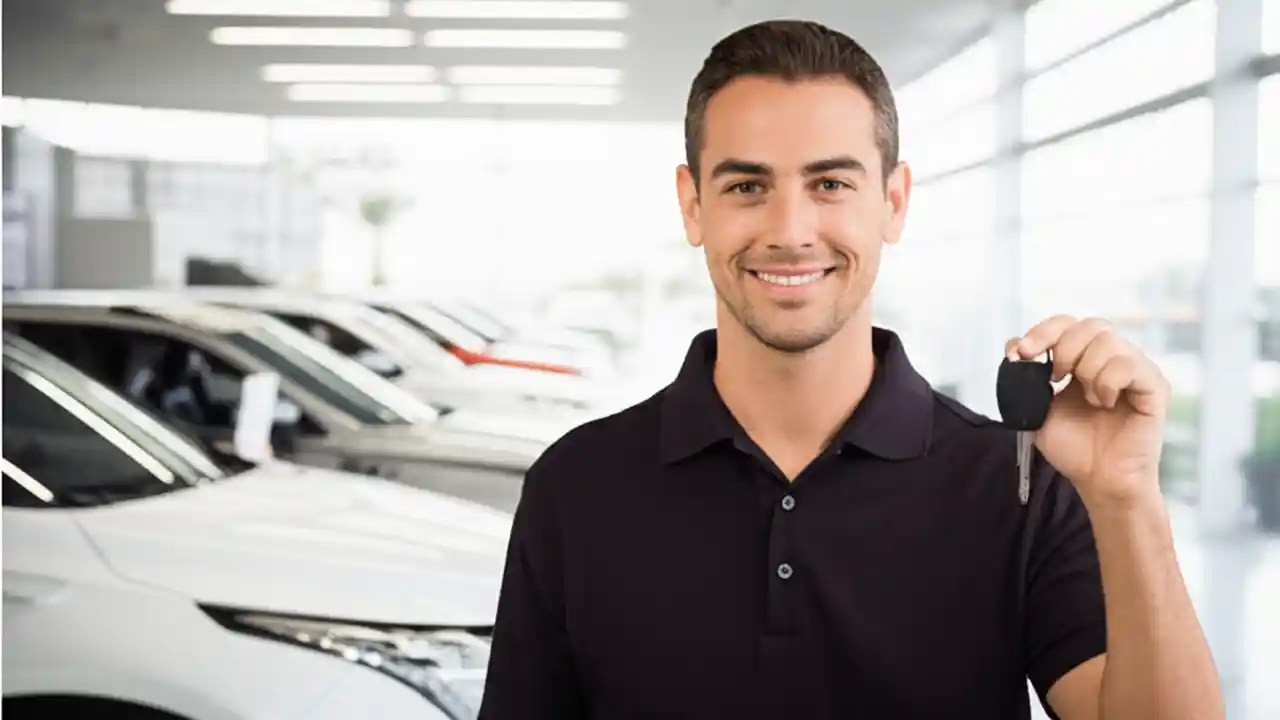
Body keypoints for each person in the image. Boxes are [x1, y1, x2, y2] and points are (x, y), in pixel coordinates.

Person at [478, 19, 1223, 720]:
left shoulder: (1016, 486)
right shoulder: (576, 486)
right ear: (693, 204)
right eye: (747, 186)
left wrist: (1128, 498)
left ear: (893, 203)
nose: (790, 231)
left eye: (830, 184)